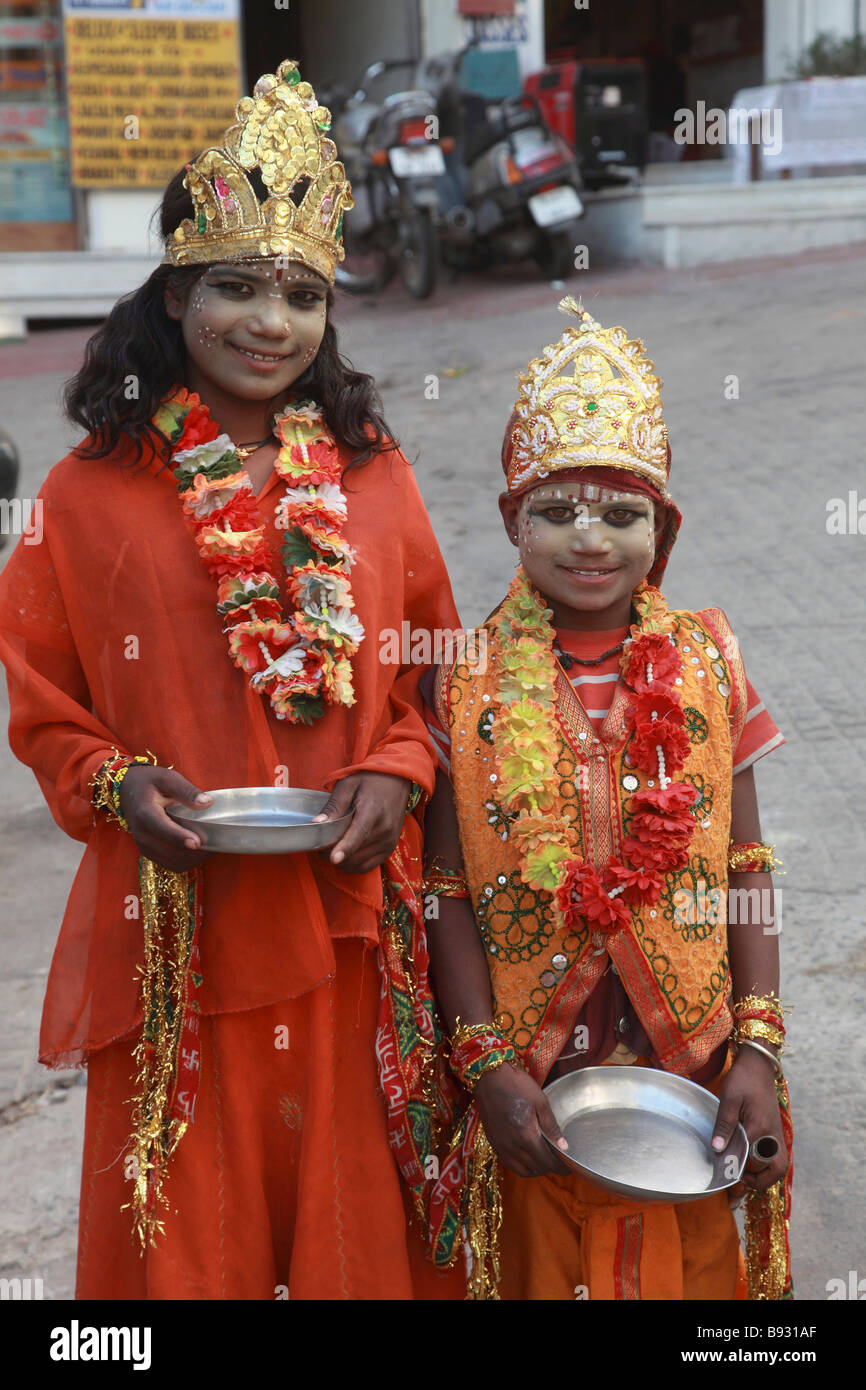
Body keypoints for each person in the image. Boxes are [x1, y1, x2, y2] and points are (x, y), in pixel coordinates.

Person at [0, 59, 462, 1300]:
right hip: (175, 924)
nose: (270, 323)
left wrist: (397, 768)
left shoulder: (372, 473)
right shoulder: (86, 492)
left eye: (301, 296)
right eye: (236, 287)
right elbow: (43, 701)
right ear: (174, 294)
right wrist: (112, 782)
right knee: (186, 1243)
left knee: (349, 1224)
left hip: (347, 914)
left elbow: (429, 677)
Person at [390, 299, 792, 1300]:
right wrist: (485, 1065)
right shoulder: (463, 682)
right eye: (556, 511)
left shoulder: (709, 663)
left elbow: (745, 866)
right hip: (536, 1077)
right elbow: (443, 886)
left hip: (691, 1068)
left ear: (662, 529)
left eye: (620, 515)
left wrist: (755, 1047)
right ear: (510, 522)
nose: (589, 539)